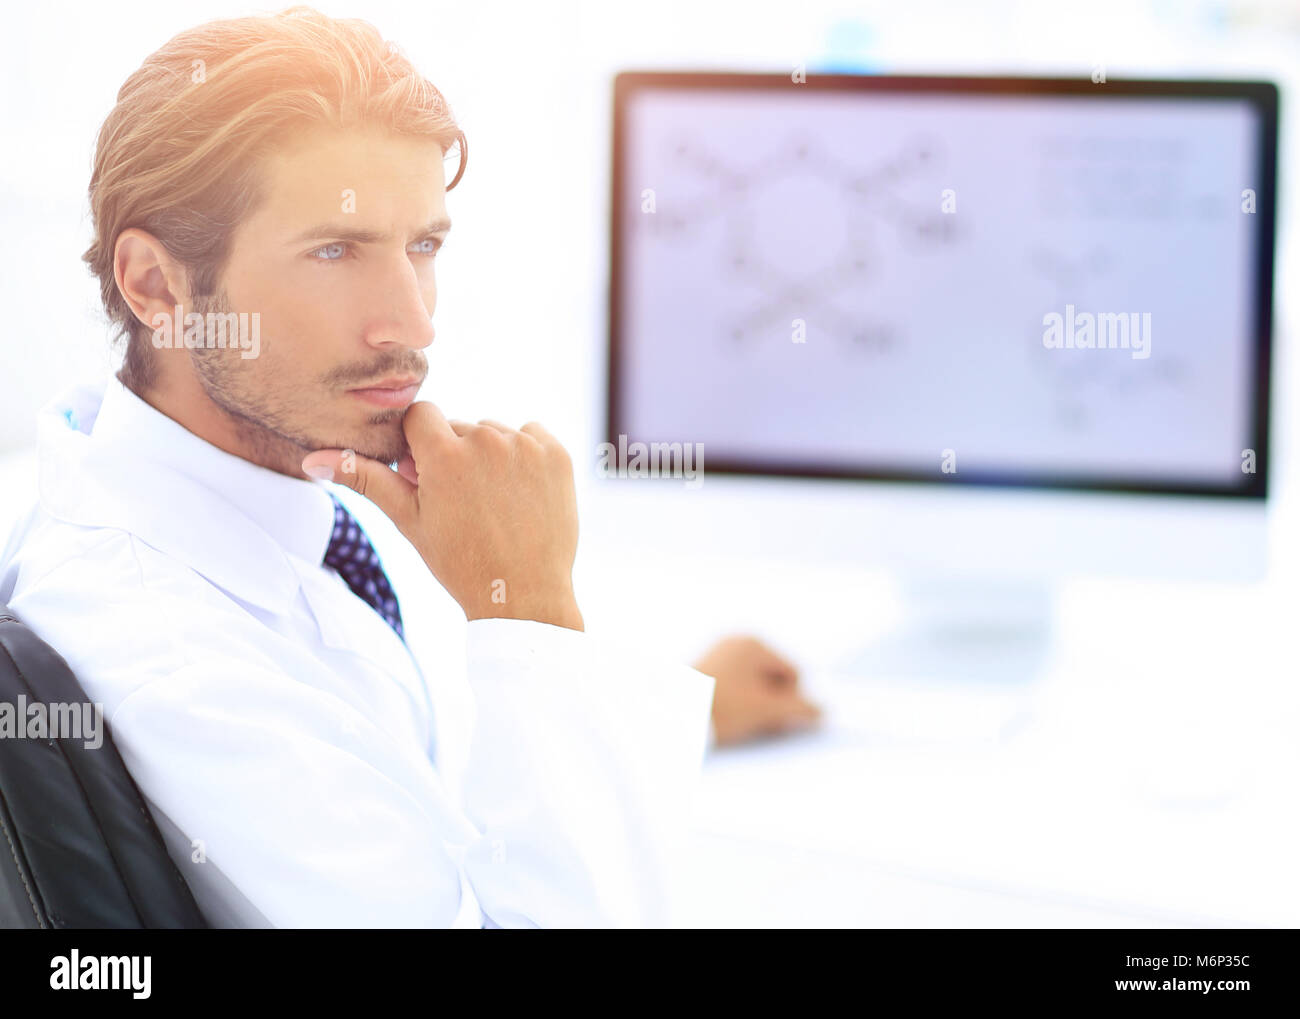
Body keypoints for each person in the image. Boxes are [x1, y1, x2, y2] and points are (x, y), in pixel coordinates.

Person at [0, 6, 819, 928]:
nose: (413, 323)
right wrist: (530, 613)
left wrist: (642, 710)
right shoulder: (174, 661)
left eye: (422, 246)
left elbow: (415, 777)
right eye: (334, 251)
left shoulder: (285, 490)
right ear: (157, 287)